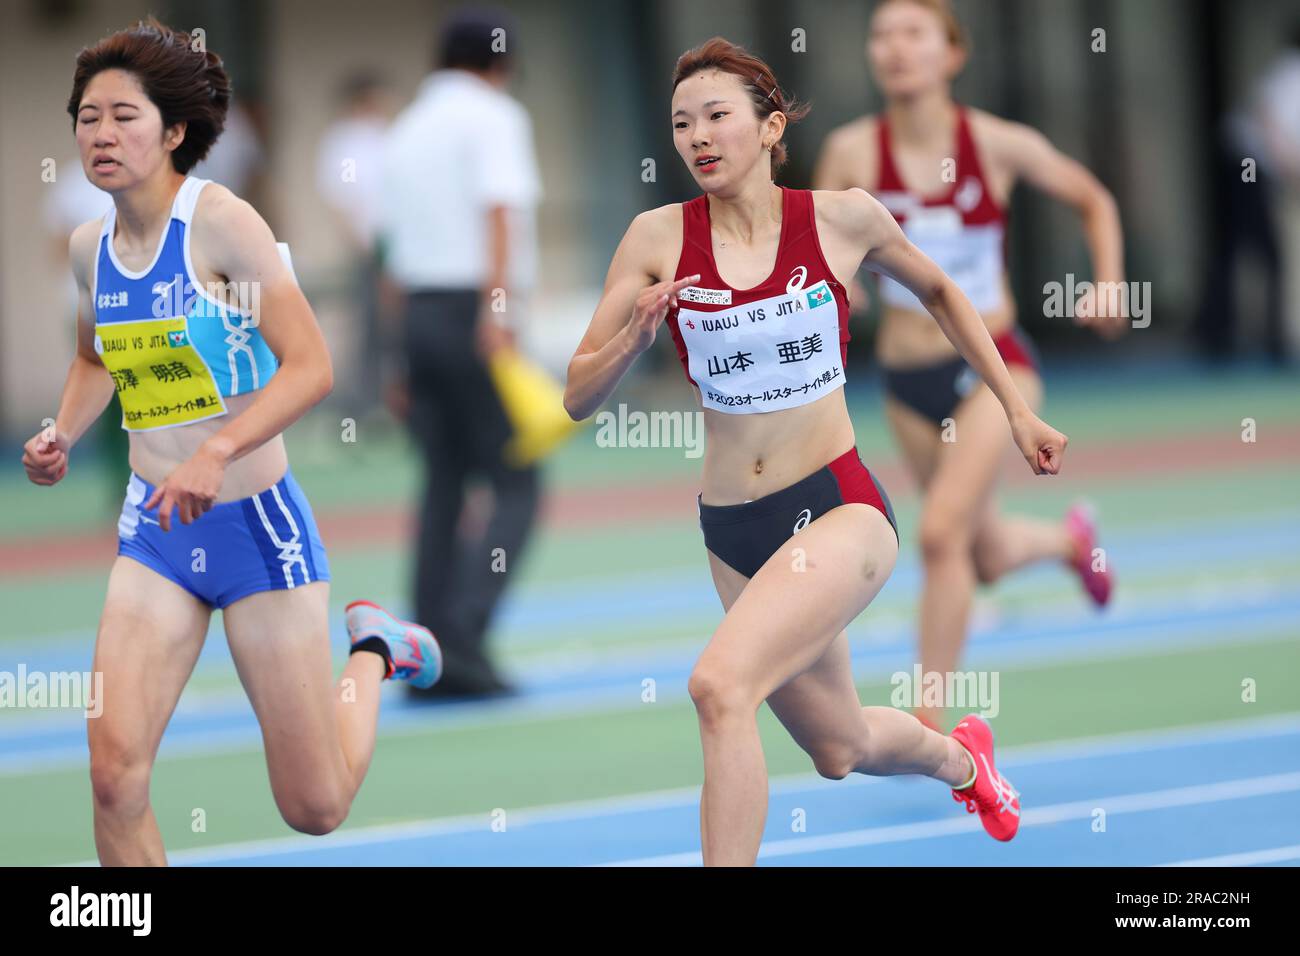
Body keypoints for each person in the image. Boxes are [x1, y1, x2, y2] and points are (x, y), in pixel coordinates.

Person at [564, 36, 1069, 866]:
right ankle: (962, 760)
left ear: (769, 128)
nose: (698, 136)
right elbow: (576, 395)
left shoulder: (842, 218)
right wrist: (632, 339)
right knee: (838, 749)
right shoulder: (655, 238)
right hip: (733, 529)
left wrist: (1015, 409)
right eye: (683, 122)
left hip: (837, 509)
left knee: (719, 688)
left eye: (718, 116)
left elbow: (942, 289)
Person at [20, 18, 440, 866]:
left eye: (124, 116)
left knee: (313, 807)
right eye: (88, 116)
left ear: (173, 131)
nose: (102, 134)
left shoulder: (222, 225)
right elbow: (91, 358)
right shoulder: (88, 249)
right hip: (154, 535)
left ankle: (374, 649)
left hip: (254, 527)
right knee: (114, 778)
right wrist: (60, 431)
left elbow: (311, 366)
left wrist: (219, 449)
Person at [814, 0, 1125, 732]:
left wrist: (1108, 279)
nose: (894, 48)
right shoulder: (852, 153)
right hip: (905, 380)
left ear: (952, 53)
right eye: (881, 36)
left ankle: (930, 724)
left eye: (913, 34)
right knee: (979, 554)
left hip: (995, 372)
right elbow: (819, 243)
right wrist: (842, 280)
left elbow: (1093, 198)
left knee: (939, 536)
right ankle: (1070, 541)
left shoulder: (995, 143)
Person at [380, 7, 543, 699]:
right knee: (517, 479)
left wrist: (394, 355)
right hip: (476, 311)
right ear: (499, 63)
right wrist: (500, 315)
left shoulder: (406, 126)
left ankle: (425, 654)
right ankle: (467, 641)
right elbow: (499, 210)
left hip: (419, 313)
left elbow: (390, 250)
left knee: (443, 485)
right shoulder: (493, 115)